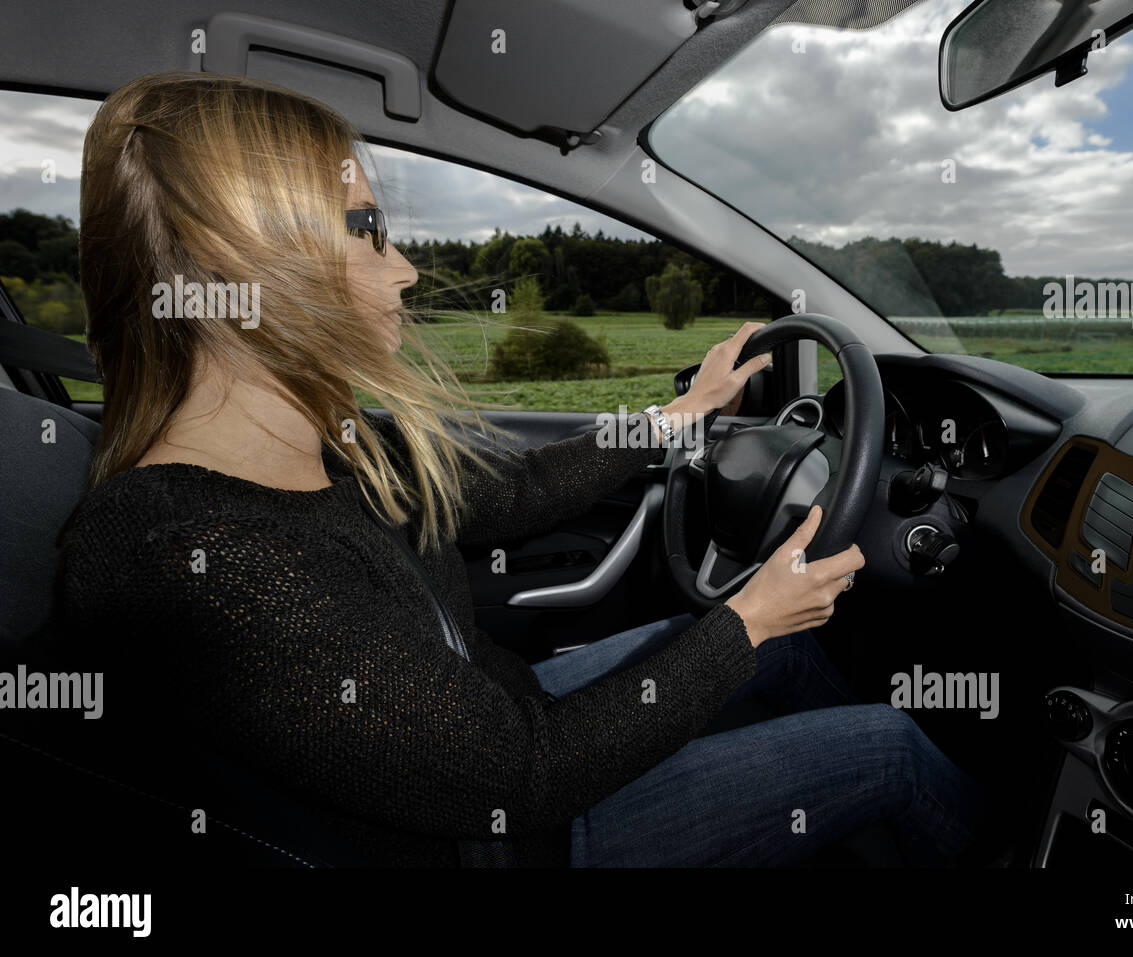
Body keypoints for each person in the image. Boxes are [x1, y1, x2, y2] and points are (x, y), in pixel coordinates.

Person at [54, 70, 991, 867]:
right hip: (524, 833)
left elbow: (514, 494)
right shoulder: (193, 557)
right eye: (367, 231)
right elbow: (523, 776)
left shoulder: (323, 443)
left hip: (509, 708)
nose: (407, 270)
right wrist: (745, 618)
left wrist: (680, 417)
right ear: (250, 262)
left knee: (785, 643)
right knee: (893, 748)